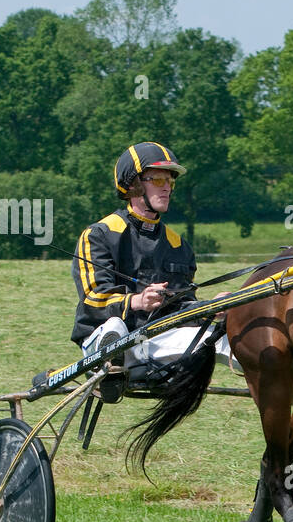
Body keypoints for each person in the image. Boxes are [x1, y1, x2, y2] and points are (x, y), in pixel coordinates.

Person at [70, 142, 233, 400]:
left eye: (170, 181)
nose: (167, 187)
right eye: (158, 179)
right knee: (114, 327)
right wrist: (137, 301)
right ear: (133, 184)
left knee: (226, 337)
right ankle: (111, 369)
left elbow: (182, 307)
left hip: (157, 345)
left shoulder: (178, 245)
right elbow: (93, 298)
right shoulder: (99, 234)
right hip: (104, 341)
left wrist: (209, 310)